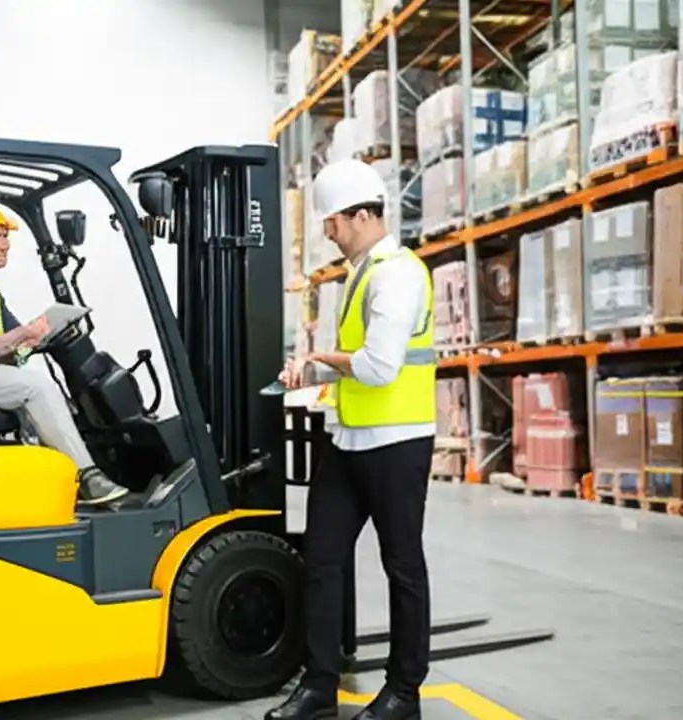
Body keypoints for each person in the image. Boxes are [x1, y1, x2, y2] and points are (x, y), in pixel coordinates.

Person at [265, 160, 435, 720]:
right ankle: (319, 686)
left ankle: (403, 693)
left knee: (402, 566)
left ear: (363, 215)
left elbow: (381, 367)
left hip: (396, 441)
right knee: (322, 559)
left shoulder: (397, 274)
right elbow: (352, 365)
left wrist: (319, 357)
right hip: (349, 440)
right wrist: (310, 372)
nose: (327, 231)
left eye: (333, 220)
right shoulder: (359, 272)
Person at [0, 200, 131, 506]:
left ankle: (52, 483)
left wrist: (43, 332)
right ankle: (88, 477)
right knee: (37, 387)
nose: (5, 245)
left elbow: (15, 336)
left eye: (6, 237)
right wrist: (25, 334)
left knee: (52, 398)